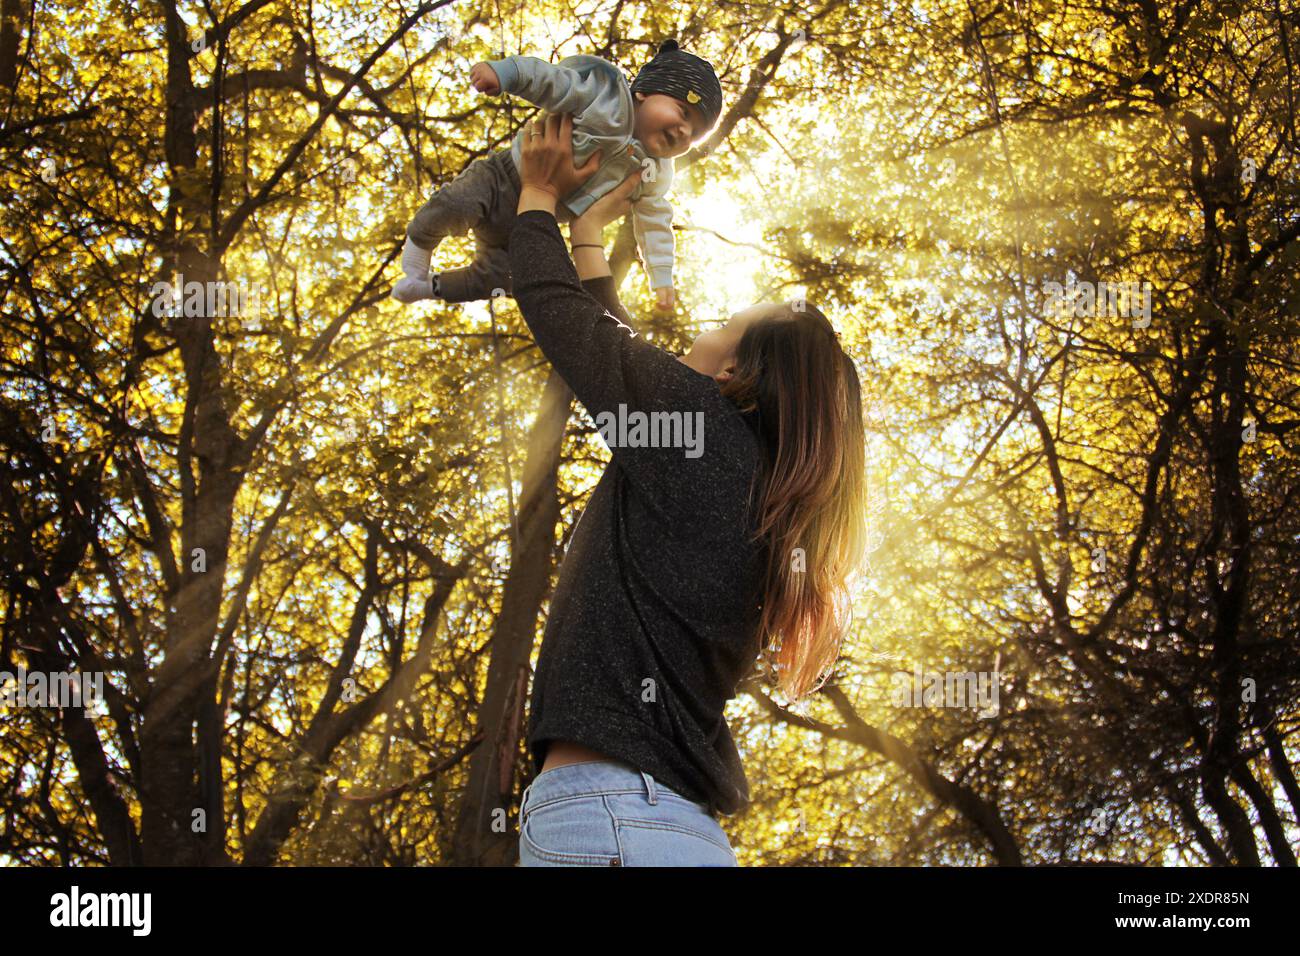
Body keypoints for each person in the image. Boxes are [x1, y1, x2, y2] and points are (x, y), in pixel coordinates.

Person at [509, 113, 869, 866]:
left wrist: (538, 192)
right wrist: (591, 234)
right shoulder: (758, 494)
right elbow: (624, 357)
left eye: (727, 320)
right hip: (681, 834)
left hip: (604, 821)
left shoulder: (696, 430)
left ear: (736, 372)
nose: (706, 325)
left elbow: (567, 321)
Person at [391, 38, 723, 309]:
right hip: (504, 179)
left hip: (537, 222)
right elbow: (551, 82)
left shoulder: (654, 173)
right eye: (683, 112)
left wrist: (661, 273)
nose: (683, 132)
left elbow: (655, 221)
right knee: (457, 204)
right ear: (645, 91)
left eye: (694, 134)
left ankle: (430, 288)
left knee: (507, 281)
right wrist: (505, 74)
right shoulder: (603, 97)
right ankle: (421, 242)